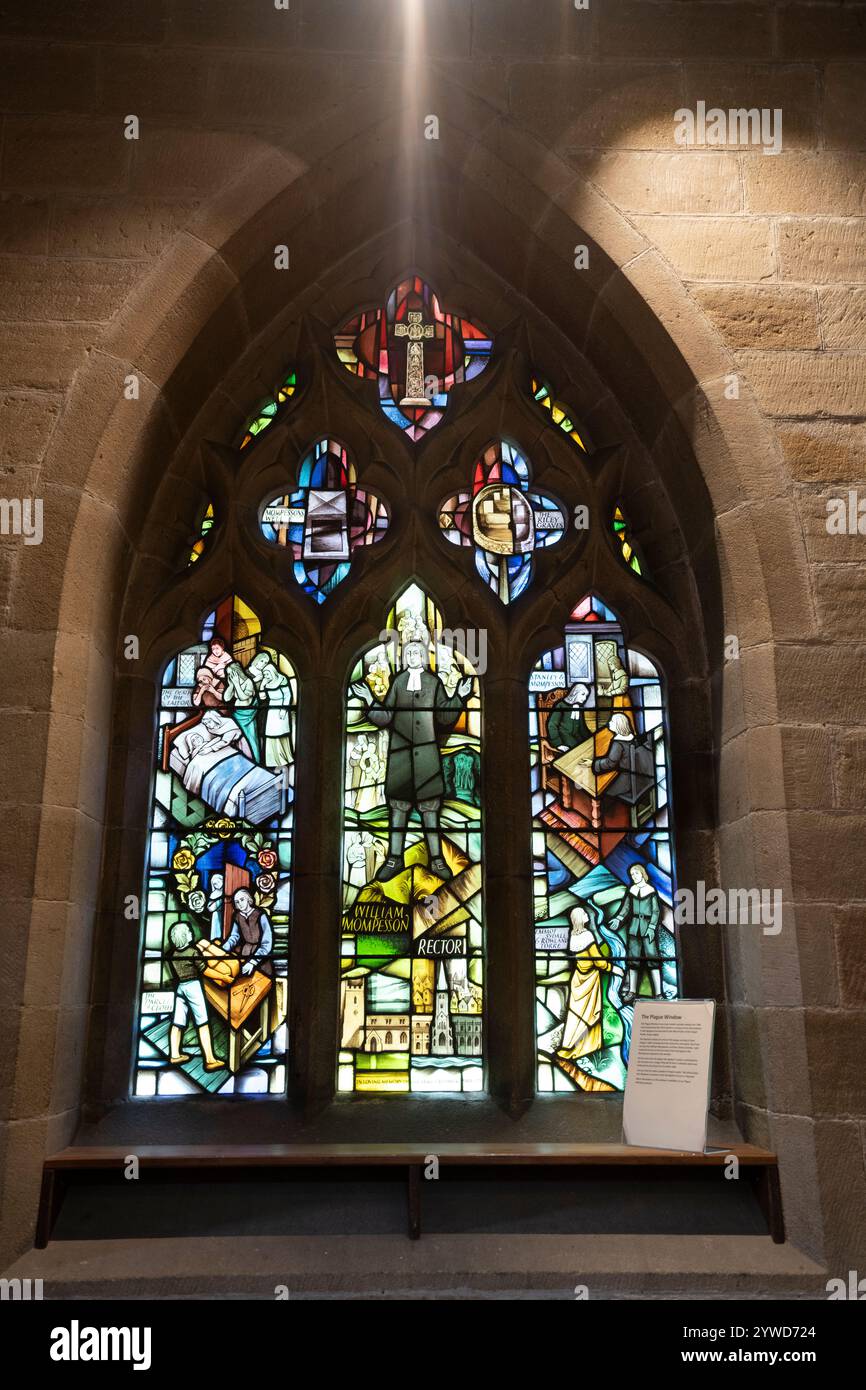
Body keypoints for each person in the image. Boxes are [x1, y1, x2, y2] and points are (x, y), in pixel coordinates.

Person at [351, 632, 472, 882]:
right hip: (401, 758)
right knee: (398, 811)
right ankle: (394, 859)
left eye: (418, 653)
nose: (413, 656)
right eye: (409, 654)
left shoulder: (432, 682)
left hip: (427, 757)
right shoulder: (398, 682)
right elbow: (385, 717)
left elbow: (444, 717)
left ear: (424, 657)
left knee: (430, 812)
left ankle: (436, 860)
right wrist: (369, 700)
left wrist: (460, 696)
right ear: (405, 658)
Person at [558, 905, 613, 1062]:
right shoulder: (587, 935)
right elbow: (597, 960)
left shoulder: (573, 935)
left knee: (575, 1016)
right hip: (589, 980)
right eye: (583, 913)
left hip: (578, 979)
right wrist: (611, 967)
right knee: (590, 1015)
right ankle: (588, 1048)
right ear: (578, 919)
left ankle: (569, 1047)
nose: (586, 914)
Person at [166, 921, 222, 1071]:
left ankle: (175, 1054)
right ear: (185, 936)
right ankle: (210, 1059)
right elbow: (205, 971)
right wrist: (225, 977)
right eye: (189, 932)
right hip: (193, 987)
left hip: (181, 988)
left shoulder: (173, 954)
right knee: (203, 1022)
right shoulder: (192, 952)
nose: (192, 933)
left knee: (177, 1022)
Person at [609, 863, 662, 1003]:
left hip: (647, 929)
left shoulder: (651, 891)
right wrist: (618, 919)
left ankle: (658, 993)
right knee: (633, 960)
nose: (634, 877)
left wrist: (651, 927)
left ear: (642, 874)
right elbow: (626, 908)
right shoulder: (631, 890)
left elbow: (656, 911)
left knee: (653, 959)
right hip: (633, 928)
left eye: (636, 873)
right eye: (632, 875)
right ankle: (632, 991)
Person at [592, 711, 654, 801]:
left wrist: (595, 764)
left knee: (603, 791)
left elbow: (610, 763)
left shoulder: (618, 744)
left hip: (627, 781)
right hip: (639, 777)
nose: (609, 723)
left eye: (612, 721)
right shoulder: (633, 738)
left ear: (618, 725)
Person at [248, 651, 293, 768]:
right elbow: (263, 698)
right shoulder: (266, 682)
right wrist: (262, 686)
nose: (266, 676)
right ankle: (271, 760)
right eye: (265, 674)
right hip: (271, 710)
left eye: (268, 674)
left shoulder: (282, 679)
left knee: (280, 733)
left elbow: (287, 696)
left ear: (272, 672)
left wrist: (283, 710)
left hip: (280, 709)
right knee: (270, 735)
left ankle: (283, 758)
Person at [224, 887, 273, 978]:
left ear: (248, 899)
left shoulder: (260, 915)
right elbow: (234, 937)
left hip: (261, 956)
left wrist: (253, 962)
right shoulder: (237, 917)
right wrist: (223, 950)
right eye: (237, 902)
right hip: (245, 953)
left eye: (242, 900)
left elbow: (267, 942)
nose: (240, 904)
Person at [222, 659, 260, 761]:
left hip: (248, 716)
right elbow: (226, 698)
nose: (230, 676)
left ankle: (255, 760)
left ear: (238, 672)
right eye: (228, 675)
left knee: (250, 740)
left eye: (231, 674)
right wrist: (231, 685)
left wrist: (237, 684)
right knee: (239, 741)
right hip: (238, 714)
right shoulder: (234, 682)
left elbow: (243, 697)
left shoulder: (248, 682)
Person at [547, 681, 593, 751]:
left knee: (588, 747)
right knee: (578, 750)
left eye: (586, 696)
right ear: (575, 693)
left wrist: (591, 738)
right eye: (583, 694)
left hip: (577, 736)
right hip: (564, 736)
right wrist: (558, 744)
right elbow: (552, 725)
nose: (584, 698)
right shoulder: (561, 705)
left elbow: (582, 728)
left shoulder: (579, 707)